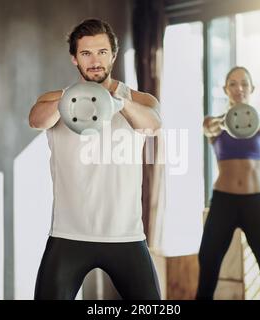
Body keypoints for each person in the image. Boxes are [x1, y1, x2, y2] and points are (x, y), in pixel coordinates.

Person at [28, 18, 162, 300]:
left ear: (113, 54)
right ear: (74, 59)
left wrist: (119, 102)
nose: (95, 60)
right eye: (86, 53)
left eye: (102, 52)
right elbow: (36, 121)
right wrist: (69, 100)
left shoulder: (139, 99)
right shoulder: (56, 99)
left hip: (125, 235)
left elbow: (152, 125)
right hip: (68, 234)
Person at [197, 66, 260, 300]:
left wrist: (249, 117)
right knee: (207, 271)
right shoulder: (215, 123)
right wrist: (228, 120)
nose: (239, 88)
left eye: (244, 83)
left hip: (254, 204)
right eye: (233, 84)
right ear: (226, 89)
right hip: (223, 203)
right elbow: (209, 127)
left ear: (252, 88)